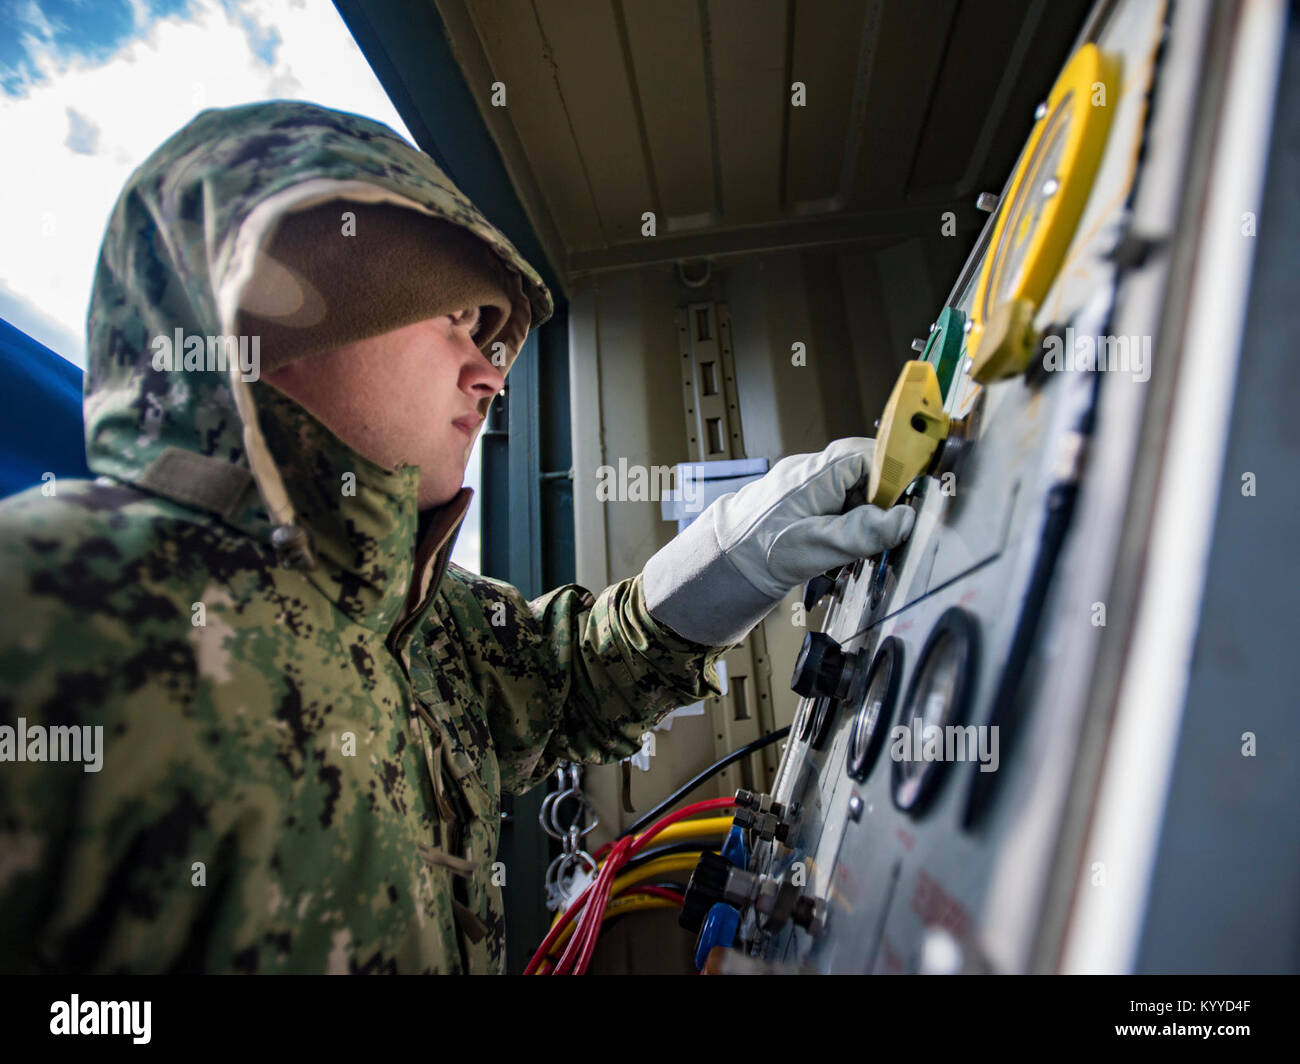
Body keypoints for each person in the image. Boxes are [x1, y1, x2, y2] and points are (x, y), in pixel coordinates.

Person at [0, 100, 915, 974]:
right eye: (453, 323)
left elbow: (571, 680)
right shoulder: (50, 597)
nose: (489, 377)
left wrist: (734, 555)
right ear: (283, 310)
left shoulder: (428, 611)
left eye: (492, 337)